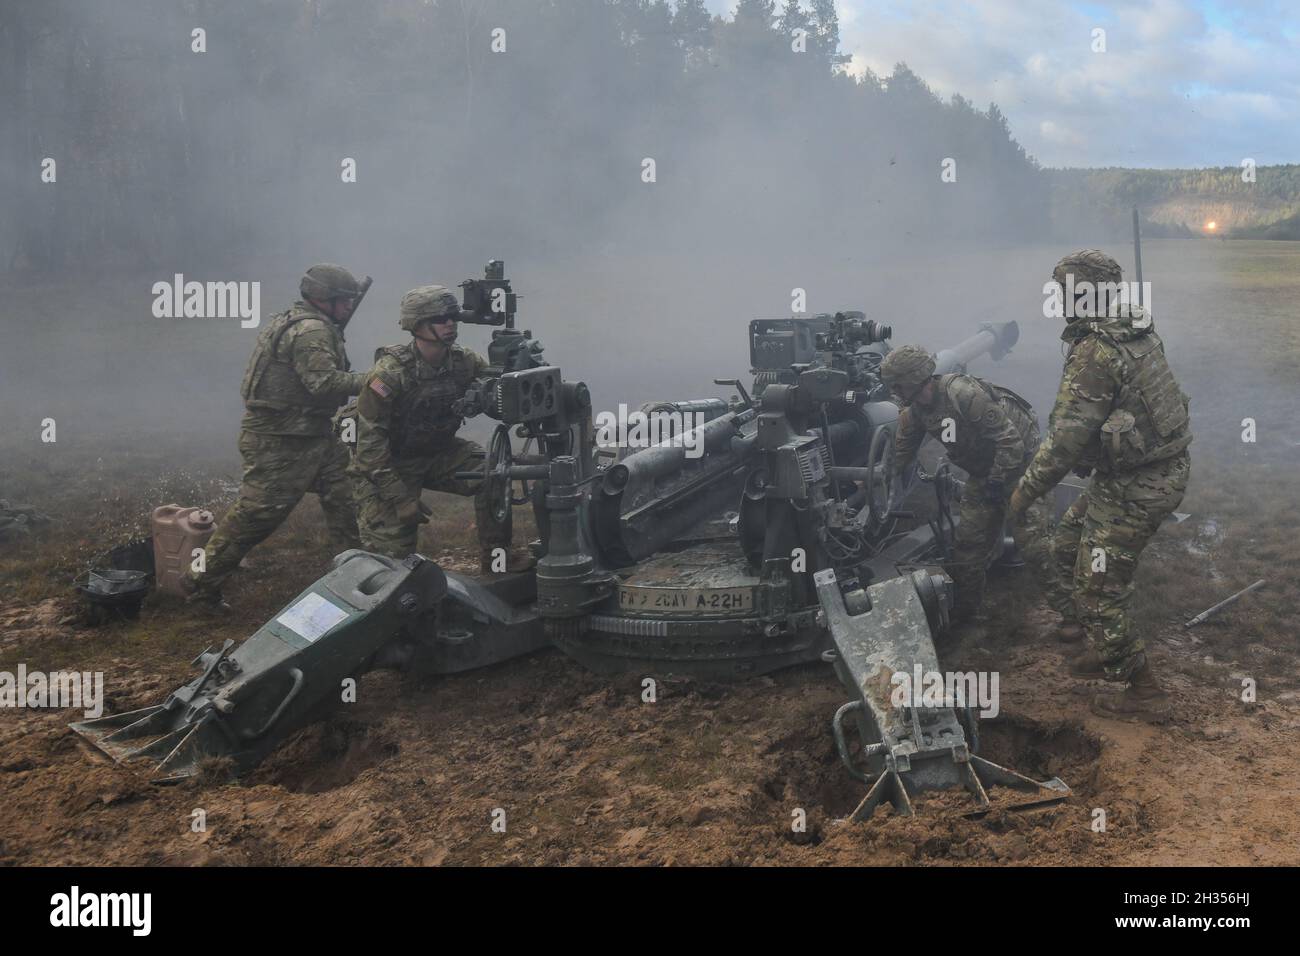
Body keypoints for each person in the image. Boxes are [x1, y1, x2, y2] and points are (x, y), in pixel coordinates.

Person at [1009, 249, 1192, 720]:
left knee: (1098, 589)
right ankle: (1106, 648)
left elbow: (1065, 443)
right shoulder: (1135, 328)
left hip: (1138, 485)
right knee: (1065, 548)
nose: (1059, 299)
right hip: (1138, 474)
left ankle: (1145, 692)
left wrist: (1024, 492)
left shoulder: (1097, 350)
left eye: (1065, 290)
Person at [187, 264, 367, 610]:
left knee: (347, 496)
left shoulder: (298, 319)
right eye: (344, 300)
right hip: (280, 440)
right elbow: (324, 383)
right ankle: (199, 583)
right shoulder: (311, 331)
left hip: (312, 434)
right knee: (255, 517)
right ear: (323, 299)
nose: (348, 307)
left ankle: (357, 571)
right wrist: (376, 379)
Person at [881, 345, 1075, 634]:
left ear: (913, 379)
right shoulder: (915, 414)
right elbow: (900, 456)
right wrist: (874, 479)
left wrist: (998, 482)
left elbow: (1011, 443)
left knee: (1034, 544)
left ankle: (1073, 616)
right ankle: (966, 615)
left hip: (1022, 470)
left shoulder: (963, 395)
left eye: (897, 384)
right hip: (985, 475)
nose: (894, 392)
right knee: (968, 548)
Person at [349, 284, 533, 572]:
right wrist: (399, 496)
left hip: (438, 452)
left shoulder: (463, 361)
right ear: (416, 324)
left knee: (494, 471)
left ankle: (498, 557)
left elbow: (497, 392)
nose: (449, 324)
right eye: (439, 319)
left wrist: (517, 367)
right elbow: (369, 445)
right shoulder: (388, 374)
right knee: (389, 565)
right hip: (388, 463)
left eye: (452, 317)